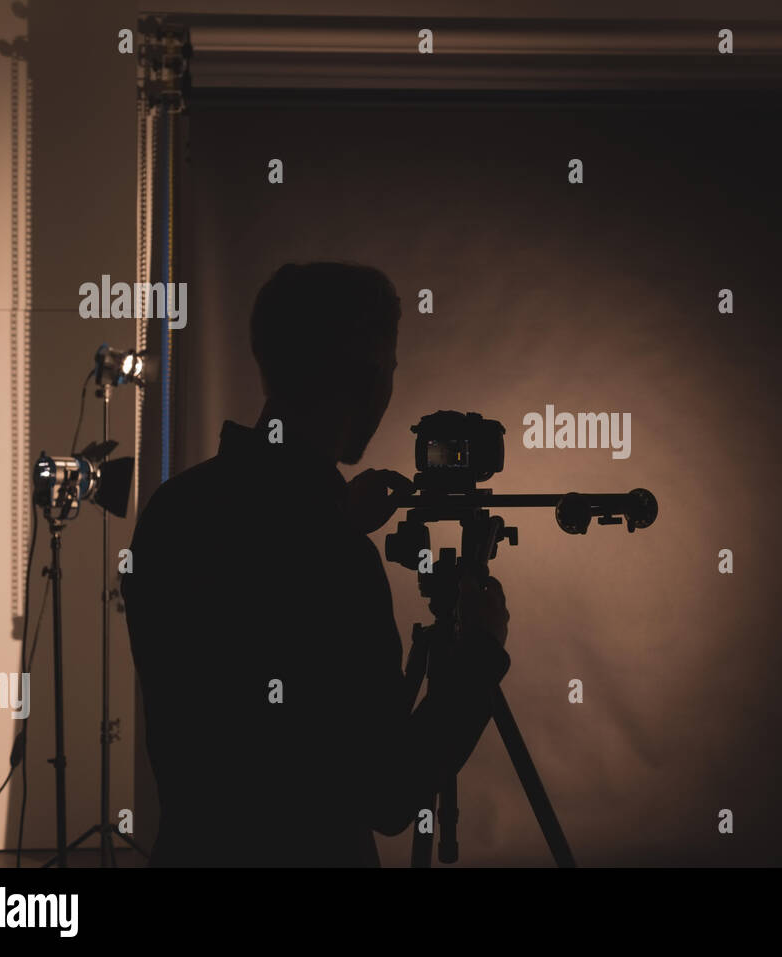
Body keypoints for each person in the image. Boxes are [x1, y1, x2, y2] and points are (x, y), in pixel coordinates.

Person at [122, 261, 510, 867]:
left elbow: (249, 620)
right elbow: (387, 794)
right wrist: (481, 653)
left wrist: (330, 517)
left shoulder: (172, 511)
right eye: (391, 369)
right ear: (369, 376)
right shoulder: (336, 557)